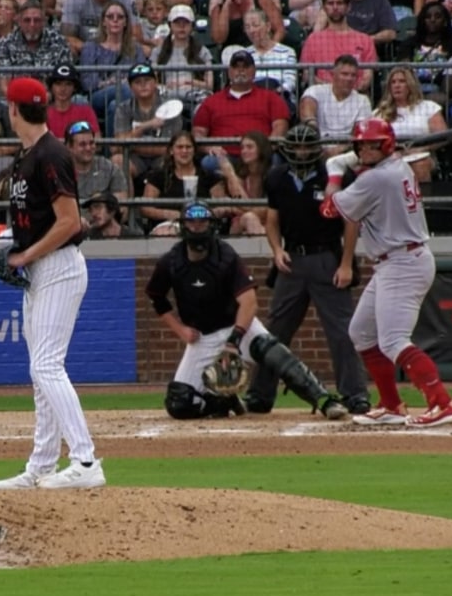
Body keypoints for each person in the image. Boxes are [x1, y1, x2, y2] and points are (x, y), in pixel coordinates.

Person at [0, 76, 104, 491]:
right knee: (41, 371)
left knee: (46, 365)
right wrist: (13, 246)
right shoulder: (30, 155)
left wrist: (23, 255)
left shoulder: (50, 153)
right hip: (41, 270)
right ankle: (40, 466)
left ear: (14, 110)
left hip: (57, 267)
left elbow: (70, 222)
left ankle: (86, 460)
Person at [147, 200, 348, 420]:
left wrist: (233, 342)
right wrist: (180, 330)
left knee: (272, 350)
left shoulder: (225, 255)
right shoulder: (171, 262)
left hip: (237, 325)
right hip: (202, 336)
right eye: (192, 222)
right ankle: (222, 401)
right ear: (183, 226)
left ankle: (323, 399)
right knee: (179, 403)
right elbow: (157, 298)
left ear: (211, 225)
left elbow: (249, 302)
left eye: (202, 222)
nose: (197, 227)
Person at [325, 117, 452, 428]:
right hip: (394, 261)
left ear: (386, 145)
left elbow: (329, 209)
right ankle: (391, 404)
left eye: (374, 144)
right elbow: (367, 182)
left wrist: (335, 170)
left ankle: (442, 403)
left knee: (393, 340)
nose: (366, 150)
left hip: (403, 262)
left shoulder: (376, 179)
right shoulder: (394, 167)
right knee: (361, 332)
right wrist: (358, 163)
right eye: (362, 145)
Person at [245, 121, 371, 417]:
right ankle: (260, 395)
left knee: (341, 331)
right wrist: (276, 251)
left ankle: (355, 394)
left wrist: (345, 264)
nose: (301, 152)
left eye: (306, 146)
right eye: (297, 146)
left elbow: (351, 221)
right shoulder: (276, 177)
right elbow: (272, 220)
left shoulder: (336, 175)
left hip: (327, 257)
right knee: (275, 330)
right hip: (292, 260)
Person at [191, 50, 289, 169]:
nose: (240, 70)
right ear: (229, 72)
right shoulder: (211, 101)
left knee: (274, 162)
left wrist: (264, 150)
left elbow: (280, 128)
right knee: (209, 162)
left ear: (254, 71)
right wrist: (210, 148)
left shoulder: (271, 98)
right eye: (236, 67)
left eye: (245, 67)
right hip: (224, 155)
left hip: (260, 155)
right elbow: (198, 132)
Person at [78, 0, 146, 132]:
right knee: (124, 89)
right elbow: (88, 83)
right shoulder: (91, 47)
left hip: (129, 97)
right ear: (103, 22)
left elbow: (142, 76)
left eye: (120, 17)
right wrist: (113, 83)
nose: (115, 20)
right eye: (110, 17)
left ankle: (111, 151)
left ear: (126, 22)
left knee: (115, 106)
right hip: (97, 97)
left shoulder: (136, 49)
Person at [300, 0, 378, 90]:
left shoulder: (364, 40)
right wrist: (333, 90)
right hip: (323, 96)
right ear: (324, 7)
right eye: (331, 3)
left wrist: (349, 91)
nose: (335, 7)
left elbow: (368, 76)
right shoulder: (313, 40)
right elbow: (307, 75)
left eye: (340, 3)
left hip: (356, 96)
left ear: (349, 7)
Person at [113, 63, 182, 179]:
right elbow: (116, 147)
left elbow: (170, 147)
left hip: (162, 158)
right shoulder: (123, 108)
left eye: (147, 80)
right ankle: (126, 198)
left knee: (175, 160)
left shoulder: (170, 107)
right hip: (135, 159)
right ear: (130, 87)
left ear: (155, 83)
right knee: (117, 161)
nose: (143, 85)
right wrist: (144, 127)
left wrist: (132, 145)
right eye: (137, 82)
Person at [300, 54, 374, 150]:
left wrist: (339, 150)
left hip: (348, 148)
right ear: (333, 74)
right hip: (316, 144)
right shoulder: (316, 91)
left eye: (353, 75)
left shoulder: (363, 100)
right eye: (344, 74)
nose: (349, 79)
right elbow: (307, 113)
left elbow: (358, 133)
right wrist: (315, 135)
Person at [0, 1, 74, 90]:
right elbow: (5, 84)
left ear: (44, 22)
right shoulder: (5, 44)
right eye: (27, 20)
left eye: (37, 20)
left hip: (52, 97)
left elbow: (65, 78)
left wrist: (47, 96)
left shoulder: (59, 41)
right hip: (17, 97)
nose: (32, 24)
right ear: (19, 22)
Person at [210, 130, 274, 236]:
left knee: (252, 218)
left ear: (262, 149)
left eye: (249, 147)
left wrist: (230, 175)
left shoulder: (272, 176)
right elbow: (240, 204)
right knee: (249, 218)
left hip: (269, 225)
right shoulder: (240, 177)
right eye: (242, 148)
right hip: (239, 225)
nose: (244, 151)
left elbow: (265, 213)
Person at [153, 4, 214, 104]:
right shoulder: (158, 51)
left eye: (186, 23)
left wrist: (188, 82)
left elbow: (209, 84)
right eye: (177, 23)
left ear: (192, 26)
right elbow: (152, 82)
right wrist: (166, 86)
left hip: (194, 93)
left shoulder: (202, 51)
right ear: (170, 25)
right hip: (167, 95)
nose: (182, 27)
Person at [374, 65, 448, 140]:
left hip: (423, 150)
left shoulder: (429, 107)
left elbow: (441, 138)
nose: (397, 85)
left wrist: (422, 149)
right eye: (393, 82)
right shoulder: (379, 112)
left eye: (402, 81)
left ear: (410, 85)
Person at [66, 120, 129, 208]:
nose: (88, 148)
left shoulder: (110, 169)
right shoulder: (60, 172)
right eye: (82, 144)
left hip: (102, 221)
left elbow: (122, 210)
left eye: (91, 143)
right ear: (69, 147)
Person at [244, 9, 297, 106]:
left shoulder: (287, 52)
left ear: (268, 26)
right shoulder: (244, 54)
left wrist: (274, 94)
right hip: (252, 100)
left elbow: (290, 81)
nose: (251, 30)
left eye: (255, 25)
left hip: (279, 98)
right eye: (247, 27)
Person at [408, 0, 452, 96]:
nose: (432, 19)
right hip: (413, 90)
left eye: (437, 16)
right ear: (422, 20)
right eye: (428, 17)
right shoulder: (410, 43)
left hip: (441, 92)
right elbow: (403, 65)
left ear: (445, 21)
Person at [45, 64, 100, 139]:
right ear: (51, 87)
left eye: (68, 84)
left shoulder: (86, 111)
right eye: (58, 84)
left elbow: (97, 140)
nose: (63, 89)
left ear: (74, 87)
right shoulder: (43, 114)